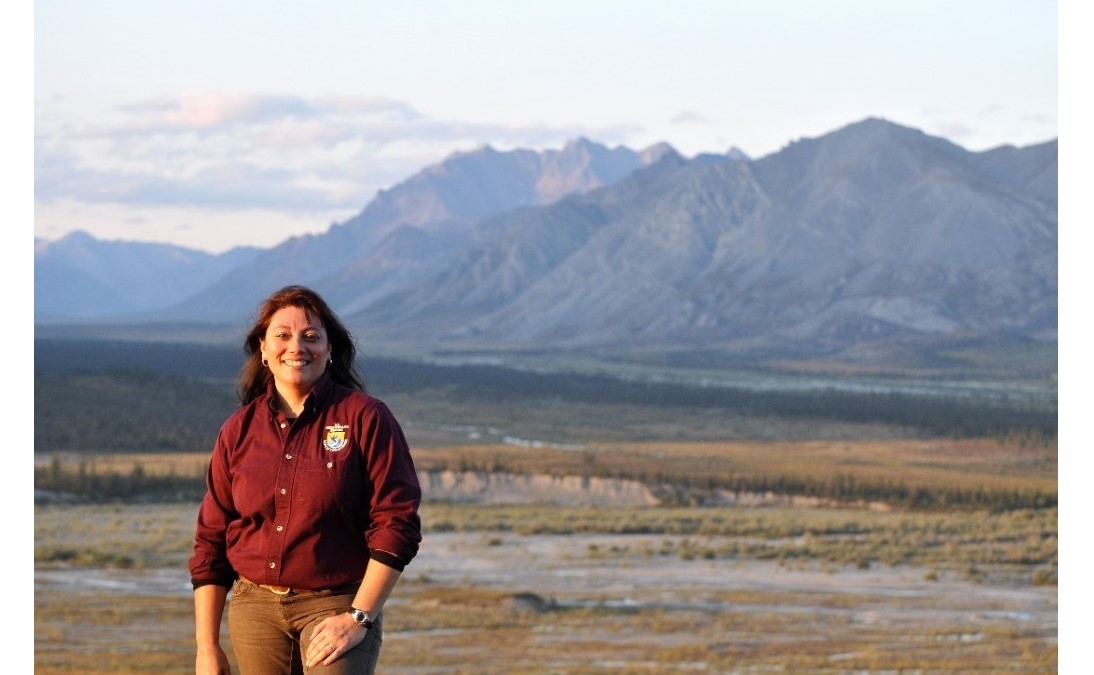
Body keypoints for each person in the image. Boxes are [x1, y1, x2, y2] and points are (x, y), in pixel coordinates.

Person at [189, 285, 423, 675]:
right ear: (262, 350)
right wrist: (206, 648)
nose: (296, 346)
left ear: (330, 350)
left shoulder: (366, 417)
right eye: (282, 336)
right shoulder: (237, 431)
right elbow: (211, 540)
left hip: (337, 603)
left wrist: (358, 618)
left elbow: (397, 523)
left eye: (311, 337)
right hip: (255, 608)